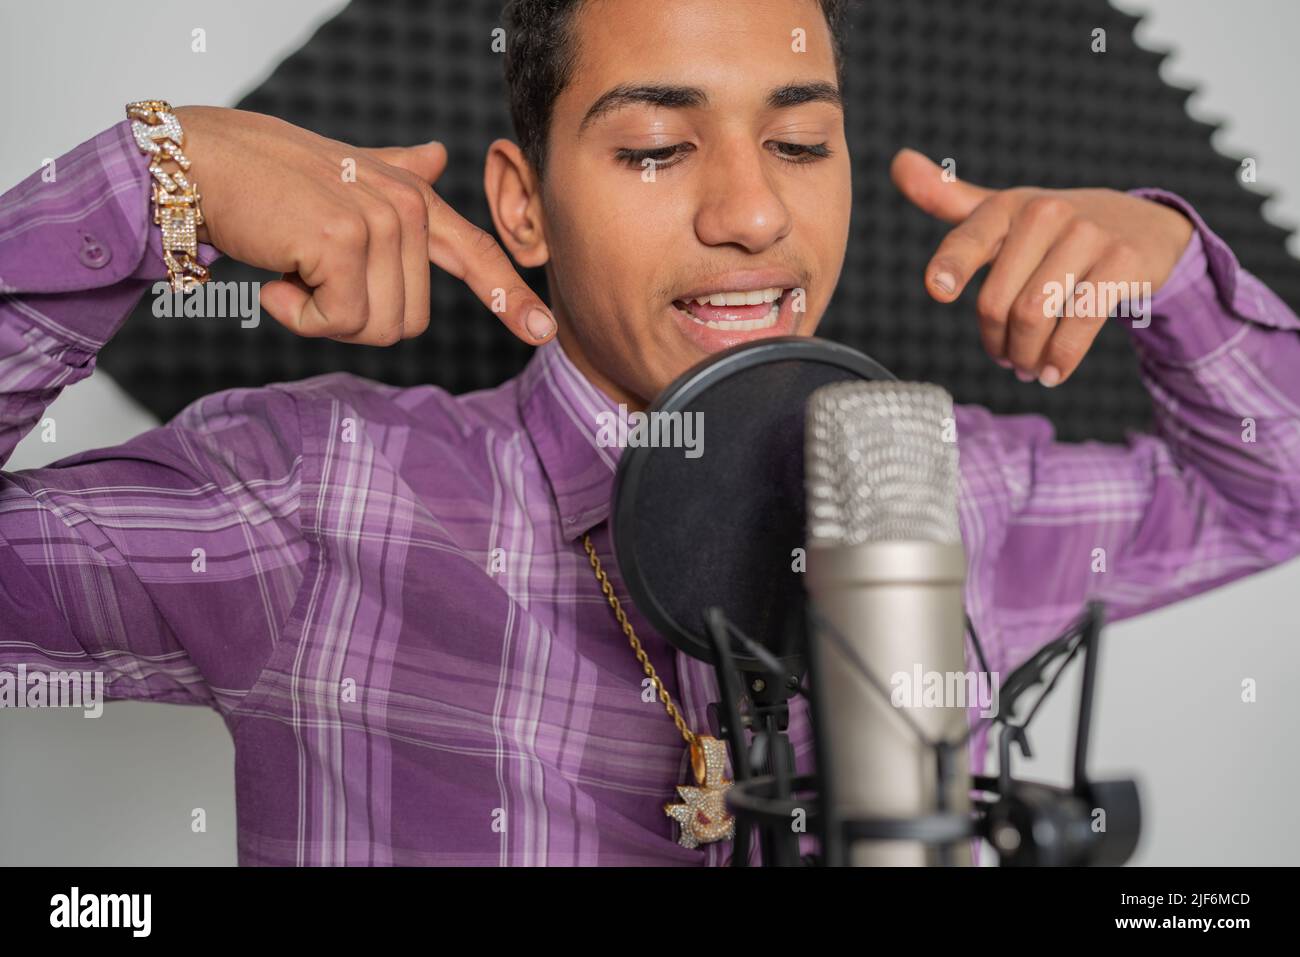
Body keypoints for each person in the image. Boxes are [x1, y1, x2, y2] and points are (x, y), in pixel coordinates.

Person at [1, 0, 1297, 866]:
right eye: (659, 148)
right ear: (523, 208)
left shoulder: (945, 486)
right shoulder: (310, 495)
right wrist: (144, 184)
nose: (752, 213)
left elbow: (1275, 491)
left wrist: (1180, 275)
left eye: (799, 140)